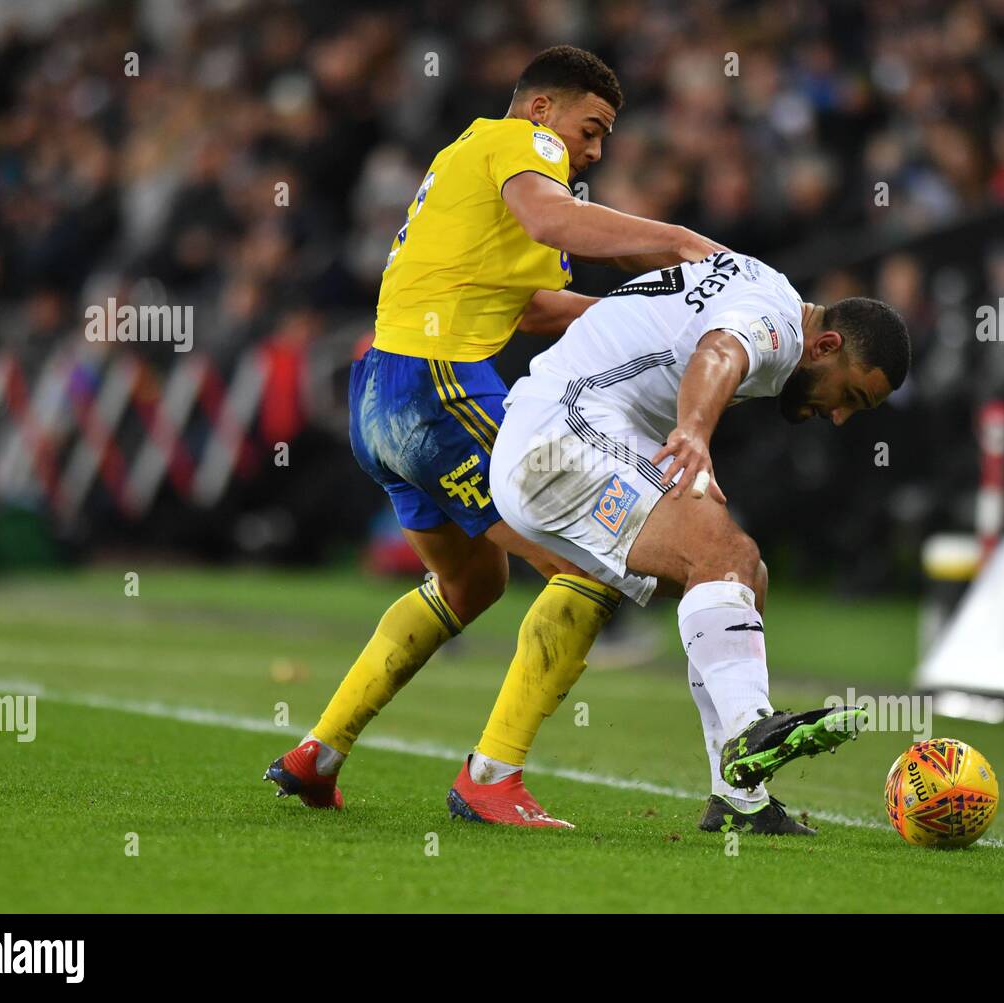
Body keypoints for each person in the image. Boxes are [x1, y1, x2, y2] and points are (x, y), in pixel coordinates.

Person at [263, 45, 725, 822]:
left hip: (381, 391)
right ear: (544, 108)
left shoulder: (470, 161)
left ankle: (318, 753)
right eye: (592, 127)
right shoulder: (524, 145)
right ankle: (491, 776)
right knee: (593, 562)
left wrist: (655, 321)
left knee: (471, 582)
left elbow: (536, 308)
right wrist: (680, 241)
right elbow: (554, 216)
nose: (594, 150)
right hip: (440, 387)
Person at [480, 250, 910, 833]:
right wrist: (695, 431)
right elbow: (718, 352)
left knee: (744, 577)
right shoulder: (779, 323)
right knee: (723, 555)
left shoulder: (761, 289)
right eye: (851, 397)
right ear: (826, 346)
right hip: (562, 435)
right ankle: (749, 729)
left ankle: (739, 797)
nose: (838, 417)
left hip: (568, 434)